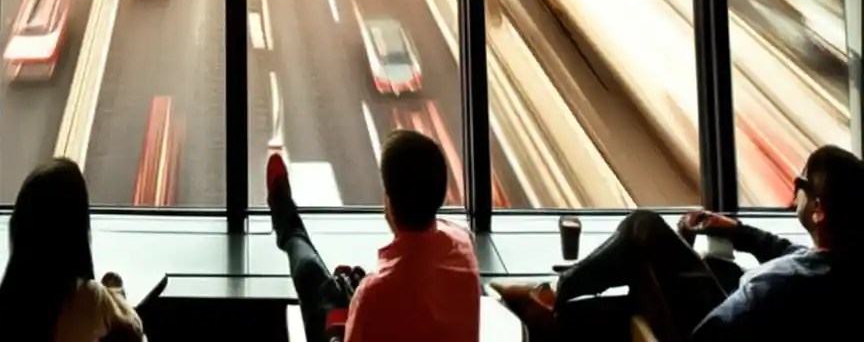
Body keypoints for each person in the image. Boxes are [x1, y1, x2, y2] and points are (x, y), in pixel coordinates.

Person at [493, 144, 864, 341]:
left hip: (710, 327)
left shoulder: (776, 287)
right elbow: (793, 254)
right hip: (735, 309)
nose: (794, 190)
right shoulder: (842, 263)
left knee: (643, 229)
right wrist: (738, 232)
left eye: (801, 184)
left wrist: (658, 286)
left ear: (818, 210)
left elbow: (714, 331)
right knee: (650, 283)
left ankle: (553, 295)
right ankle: (549, 317)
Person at [268, 130, 481, 342]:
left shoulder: (373, 294)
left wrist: (347, 314)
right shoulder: (464, 245)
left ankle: (287, 224)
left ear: (389, 201)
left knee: (311, 275)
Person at [0, 158, 143, 342]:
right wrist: (116, 294)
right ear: (75, 230)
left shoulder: (1, 307)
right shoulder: (89, 298)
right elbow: (134, 328)